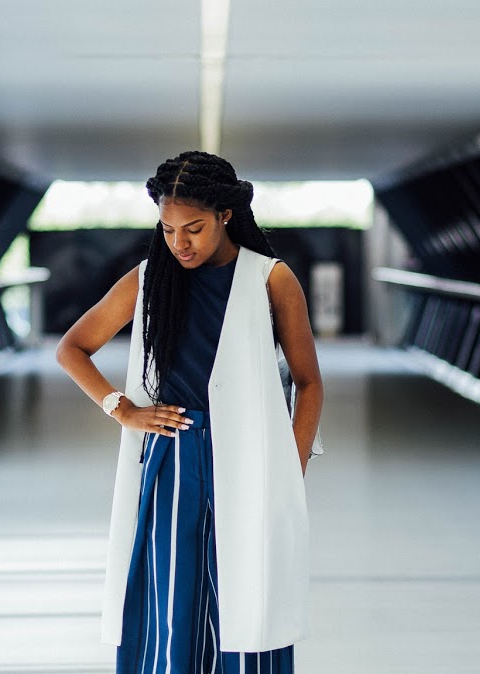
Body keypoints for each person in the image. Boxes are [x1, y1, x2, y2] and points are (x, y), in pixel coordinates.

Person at [56, 150, 322, 672]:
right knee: (170, 602)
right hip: (171, 458)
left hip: (248, 460)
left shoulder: (271, 279)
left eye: (194, 228)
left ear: (225, 215)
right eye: (169, 229)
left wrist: (291, 467)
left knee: (250, 599)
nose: (180, 243)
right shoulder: (149, 276)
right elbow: (72, 347)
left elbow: (309, 383)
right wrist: (123, 409)